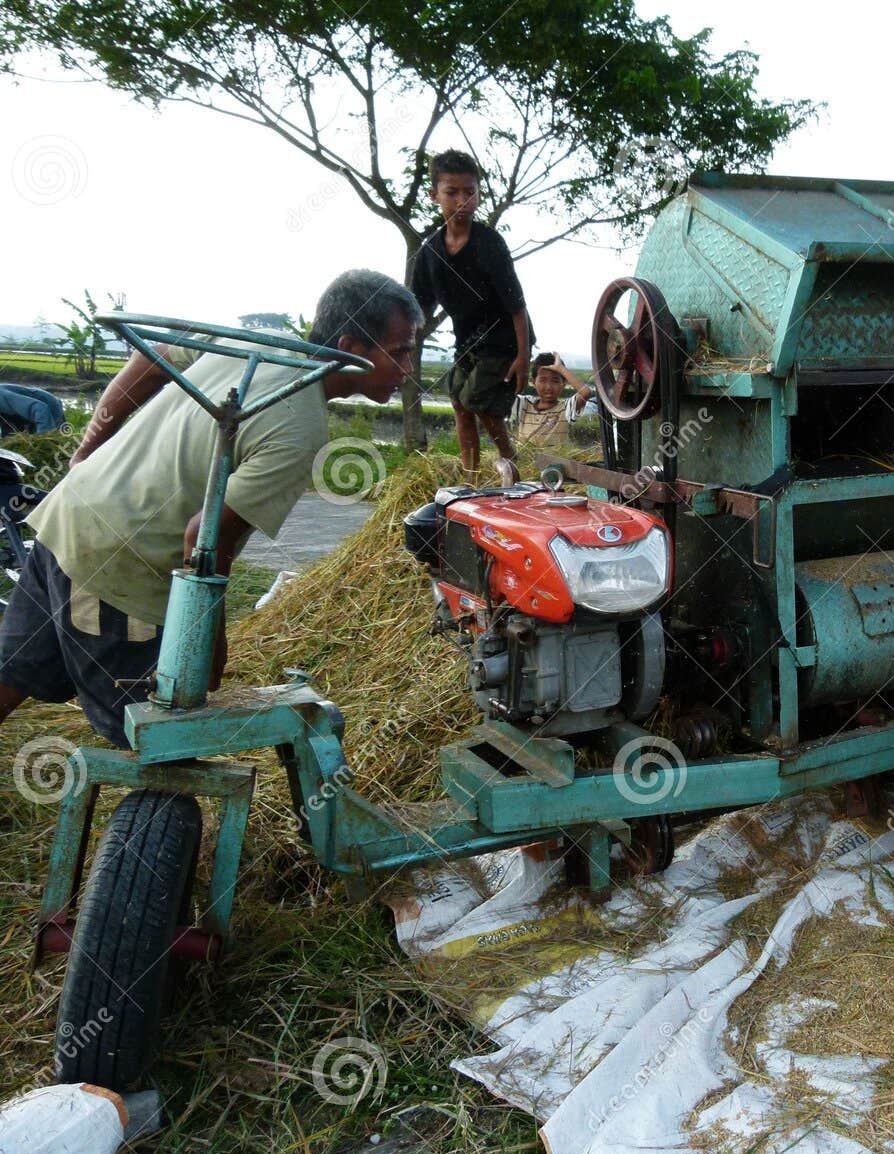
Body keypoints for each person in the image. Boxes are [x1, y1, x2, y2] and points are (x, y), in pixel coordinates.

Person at [0, 269, 421, 747]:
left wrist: (87, 449)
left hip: (68, 515)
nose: (410, 368)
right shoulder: (303, 426)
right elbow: (205, 537)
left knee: (10, 676)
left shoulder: (259, 345)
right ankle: (154, 820)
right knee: (164, 745)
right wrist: (208, 650)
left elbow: (153, 354)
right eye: (401, 350)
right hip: (120, 569)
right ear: (352, 345)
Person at [411, 149, 532, 479]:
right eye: (452, 193)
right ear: (434, 195)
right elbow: (418, 308)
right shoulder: (430, 253)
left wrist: (524, 355)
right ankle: (471, 478)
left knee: (481, 403)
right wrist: (402, 346)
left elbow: (517, 305)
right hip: (467, 342)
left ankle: (512, 464)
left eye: (470, 192)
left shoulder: (490, 244)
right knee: (459, 403)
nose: (463, 201)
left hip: (504, 340)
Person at [512, 352, 593, 465]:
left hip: (555, 468)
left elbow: (586, 392)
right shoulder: (523, 404)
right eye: (543, 380)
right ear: (533, 382)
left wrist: (561, 369)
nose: (548, 387)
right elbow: (503, 391)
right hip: (525, 466)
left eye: (555, 381)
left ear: (564, 383)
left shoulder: (565, 409)